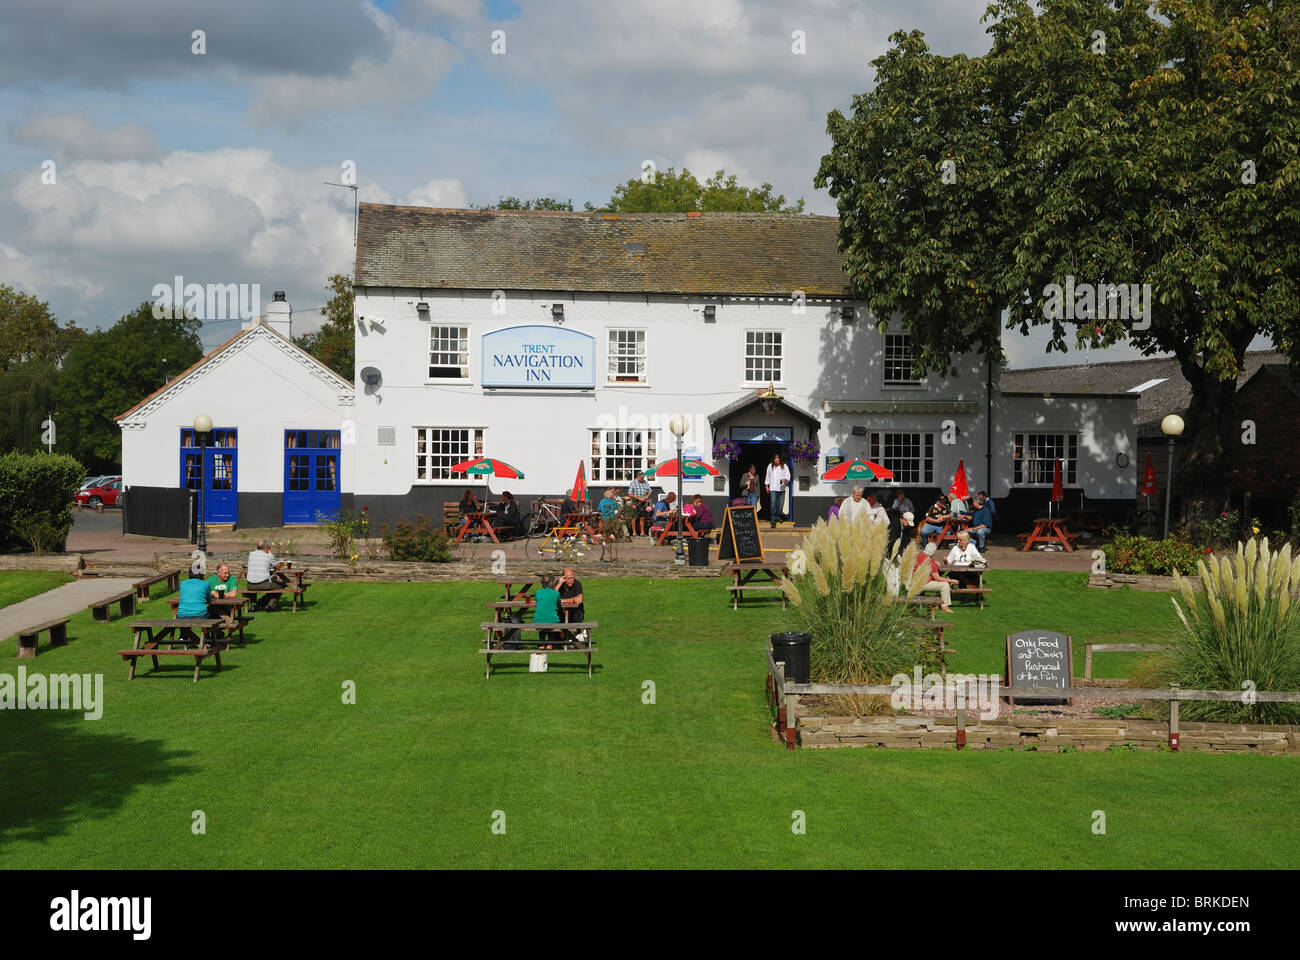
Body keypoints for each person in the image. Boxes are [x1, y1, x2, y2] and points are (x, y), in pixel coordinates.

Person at [913, 542, 957, 613]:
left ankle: (938, 604)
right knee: (945, 585)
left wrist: (934, 562)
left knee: (942, 583)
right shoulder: (931, 563)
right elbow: (938, 579)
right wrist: (951, 581)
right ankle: (945, 607)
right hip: (923, 584)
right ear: (934, 552)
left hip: (914, 583)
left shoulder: (918, 556)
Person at [246, 539, 289, 611]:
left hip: (249, 585)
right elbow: (278, 567)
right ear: (266, 548)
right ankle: (269, 605)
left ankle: (254, 604)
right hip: (262, 583)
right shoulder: (269, 556)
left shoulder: (251, 554)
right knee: (281, 586)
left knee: (255, 582)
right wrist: (270, 553)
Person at [533, 573, 563, 648]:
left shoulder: (538, 592)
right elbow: (558, 604)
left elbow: (537, 602)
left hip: (538, 620)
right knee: (552, 620)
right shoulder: (556, 593)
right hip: (552, 620)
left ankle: (542, 643)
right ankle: (550, 643)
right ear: (553, 583)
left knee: (542, 623)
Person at [764, 454, 791, 528]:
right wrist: (766, 485)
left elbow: (788, 476)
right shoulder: (770, 466)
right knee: (773, 503)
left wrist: (785, 479)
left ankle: (778, 516)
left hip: (781, 488)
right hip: (773, 488)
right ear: (774, 460)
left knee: (781, 504)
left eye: (778, 459)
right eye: (776, 459)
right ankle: (773, 518)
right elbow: (768, 476)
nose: (777, 460)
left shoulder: (784, 466)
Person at [626, 471, 652, 535]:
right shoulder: (633, 483)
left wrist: (647, 496)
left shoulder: (645, 483)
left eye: (643, 478)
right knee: (634, 517)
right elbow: (629, 493)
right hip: (635, 501)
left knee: (642, 517)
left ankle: (642, 532)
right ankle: (634, 532)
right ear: (638, 476)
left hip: (643, 501)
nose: (642, 479)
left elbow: (650, 491)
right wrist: (638, 498)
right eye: (641, 478)